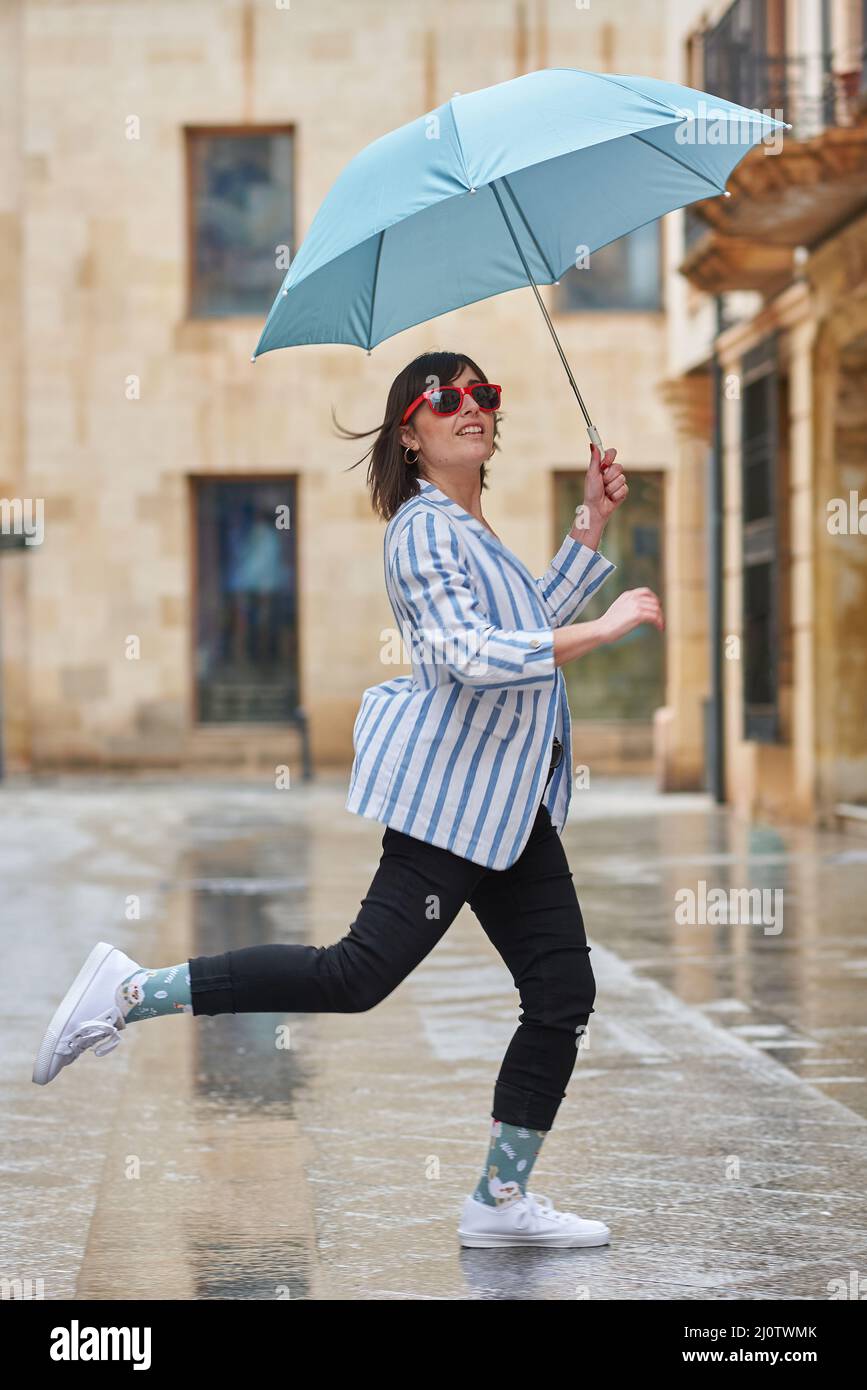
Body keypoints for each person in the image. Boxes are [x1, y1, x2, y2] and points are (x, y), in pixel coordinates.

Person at [32, 350, 664, 1251]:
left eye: (483, 394)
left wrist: (590, 523)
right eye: (444, 397)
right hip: (455, 799)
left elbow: (518, 622)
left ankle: (498, 1200)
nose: (471, 406)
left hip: (509, 803)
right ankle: (132, 990)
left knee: (562, 990)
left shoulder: (466, 524)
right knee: (354, 976)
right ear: (409, 433)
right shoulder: (419, 529)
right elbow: (468, 654)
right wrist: (602, 628)